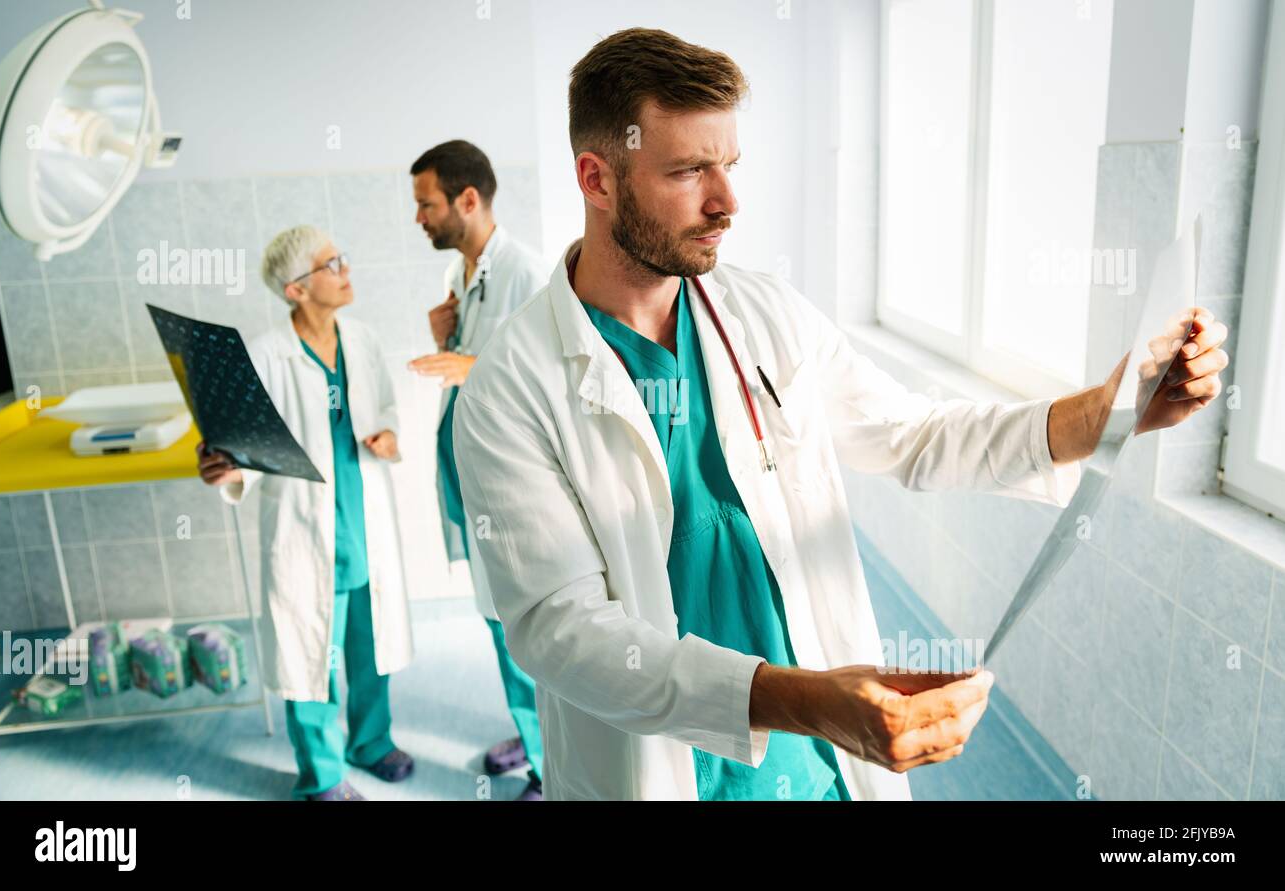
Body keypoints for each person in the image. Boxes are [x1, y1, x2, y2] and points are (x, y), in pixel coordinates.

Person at [451, 28, 1230, 801]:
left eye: (729, 166)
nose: (727, 203)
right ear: (597, 178)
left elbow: (913, 433)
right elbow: (563, 630)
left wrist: (1109, 410)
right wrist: (808, 701)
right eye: (689, 171)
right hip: (660, 772)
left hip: (822, 766)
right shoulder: (510, 389)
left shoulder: (763, 314)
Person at [198, 225, 416, 801]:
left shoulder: (362, 339)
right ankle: (321, 775)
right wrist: (228, 468)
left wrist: (390, 435)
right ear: (295, 288)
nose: (345, 271)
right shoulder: (266, 355)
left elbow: (386, 407)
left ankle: (371, 742)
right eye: (330, 264)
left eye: (342, 258)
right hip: (305, 531)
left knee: (370, 645)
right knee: (309, 651)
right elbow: (247, 446)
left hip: (363, 523)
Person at [405, 140, 551, 799]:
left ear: (467, 199)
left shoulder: (528, 272)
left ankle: (551, 767)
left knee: (527, 622)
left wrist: (469, 363)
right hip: (468, 477)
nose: (419, 218)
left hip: (510, 487)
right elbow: (477, 362)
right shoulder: (461, 273)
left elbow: (551, 379)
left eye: (426, 204)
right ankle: (532, 732)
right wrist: (448, 341)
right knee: (498, 621)